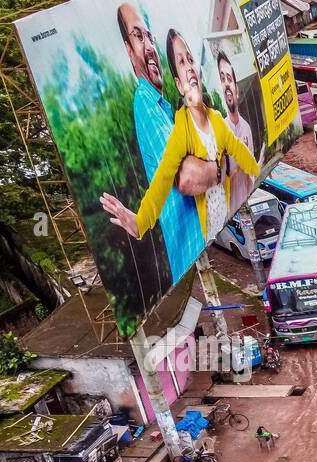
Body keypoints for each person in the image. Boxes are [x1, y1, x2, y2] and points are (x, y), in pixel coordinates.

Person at [102, 30, 259, 250]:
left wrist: (254, 169)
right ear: (178, 83)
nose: (189, 67)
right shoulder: (182, 129)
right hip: (208, 233)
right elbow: (163, 178)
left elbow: (238, 149)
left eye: (190, 59)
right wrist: (140, 222)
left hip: (227, 215)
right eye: (181, 62)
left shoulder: (216, 119)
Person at [115, 2, 210, 283]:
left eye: (149, 36)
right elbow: (188, 178)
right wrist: (223, 165)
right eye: (138, 36)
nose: (149, 46)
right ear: (129, 51)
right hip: (191, 248)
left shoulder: (164, 109)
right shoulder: (145, 104)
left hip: (201, 241)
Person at [217, 51, 255, 217]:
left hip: (248, 204)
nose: (226, 84)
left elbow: (252, 175)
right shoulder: (220, 132)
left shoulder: (246, 127)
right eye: (222, 79)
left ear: (236, 90)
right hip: (230, 217)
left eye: (229, 78)